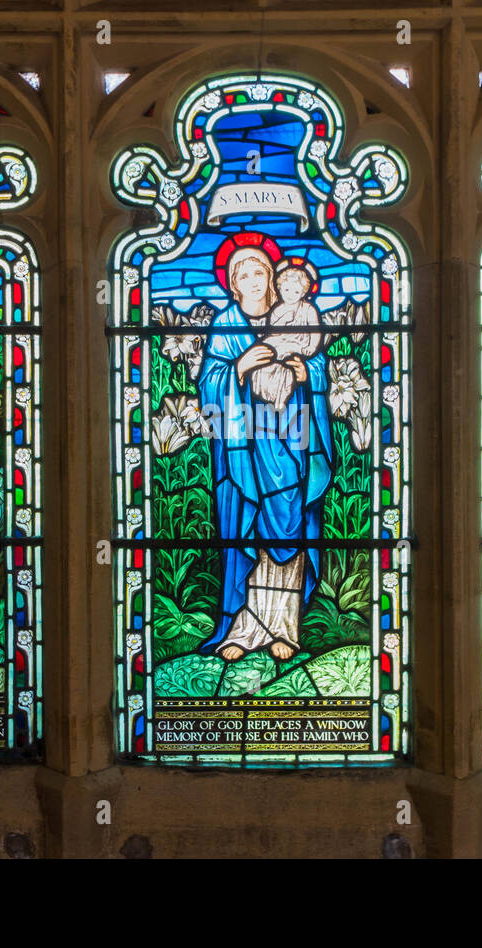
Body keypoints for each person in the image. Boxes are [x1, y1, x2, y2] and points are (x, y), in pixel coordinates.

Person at [197, 235, 333, 662]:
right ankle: (242, 627)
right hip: (241, 446)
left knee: (290, 524)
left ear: (272, 277)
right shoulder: (226, 325)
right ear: (232, 285)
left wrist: (304, 370)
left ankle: (284, 629)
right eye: (243, 274)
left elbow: (316, 364)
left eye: (260, 271)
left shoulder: (292, 316)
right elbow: (208, 384)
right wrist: (238, 367)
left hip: (292, 438)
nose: (254, 279)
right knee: (244, 528)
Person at [248, 256, 323, 413]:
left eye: (296, 291)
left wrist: (311, 347)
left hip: (297, 344)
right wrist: (283, 318)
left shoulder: (308, 309)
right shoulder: (278, 310)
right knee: (263, 366)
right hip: (279, 340)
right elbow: (274, 329)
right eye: (287, 290)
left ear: (303, 293)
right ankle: (262, 393)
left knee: (287, 371)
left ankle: (281, 399)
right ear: (280, 288)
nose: (290, 294)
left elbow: (315, 331)